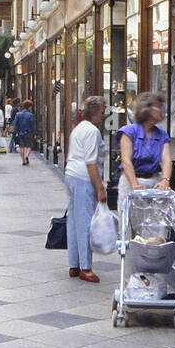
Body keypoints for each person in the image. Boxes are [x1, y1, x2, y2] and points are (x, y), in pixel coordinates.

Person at [64, 95, 108, 282]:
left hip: (72, 174)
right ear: (96, 112)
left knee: (74, 221)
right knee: (84, 222)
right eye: (103, 110)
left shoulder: (79, 128)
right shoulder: (92, 131)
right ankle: (85, 267)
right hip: (83, 178)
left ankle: (74, 263)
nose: (104, 114)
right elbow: (91, 162)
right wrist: (100, 188)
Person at [117, 91, 173, 225]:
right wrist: (134, 184)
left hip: (154, 180)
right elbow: (126, 161)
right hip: (131, 179)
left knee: (155, 222)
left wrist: (165, 180)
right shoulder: (129, 132)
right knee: (129, 221)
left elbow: (166, 160)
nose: (162, 110)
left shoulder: (162, 135)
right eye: (158, 106)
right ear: (146, 109)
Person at [13, 99, 36, 165]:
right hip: (28, 132)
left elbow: (15, 123)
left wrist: (17, 130)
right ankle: (26, 156)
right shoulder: (30, 115)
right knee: (29, 146)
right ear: (29, 107)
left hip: (20, 132)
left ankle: (23, 160)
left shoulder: (18, 114)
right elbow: (33, 125)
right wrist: (34, 133)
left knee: (21, 146)